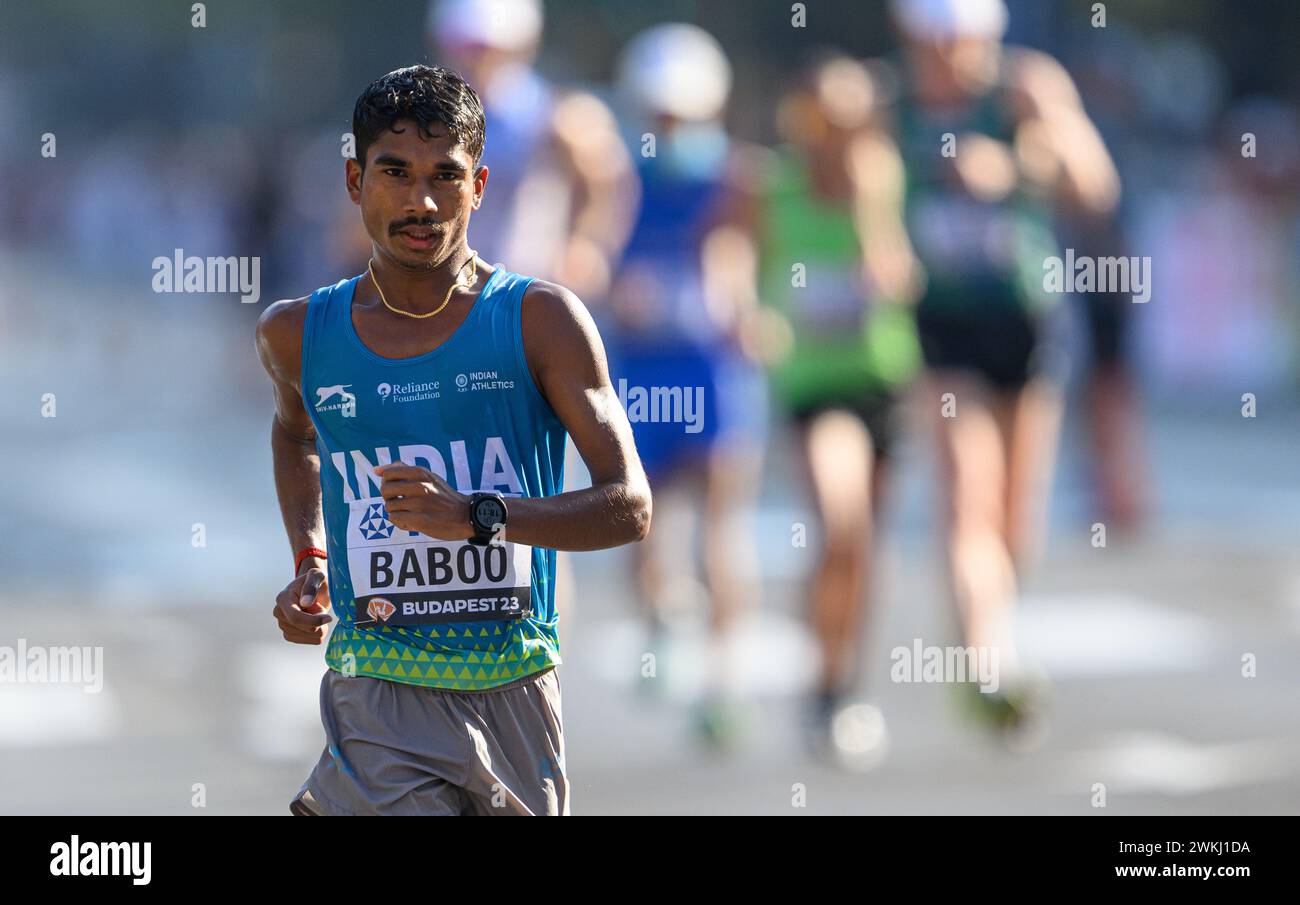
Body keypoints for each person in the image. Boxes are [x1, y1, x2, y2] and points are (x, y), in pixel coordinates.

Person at [256, 65, 651, 815]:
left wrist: (478, 515)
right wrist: (310, 556)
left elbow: (628, 506)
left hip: (514, 684)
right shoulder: (297, 333)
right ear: (353, 180)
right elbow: (294, 435)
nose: (421, 202)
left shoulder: (542, 321)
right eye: (395, 173)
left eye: (446, 175)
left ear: (481, 186)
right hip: (378, 682)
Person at [882, 0, 1121, 741]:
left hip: (1021, 321)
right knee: (966, 495)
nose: (949, 59)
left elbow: (1094, 187)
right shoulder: (888, 104)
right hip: (938, 323)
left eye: (962, 43)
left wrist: (1014, 167)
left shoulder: (1024, 89)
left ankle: (992, 631)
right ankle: (988, 662)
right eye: (934, 44)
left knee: (1015, 520)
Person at [722, 52, 922, 768]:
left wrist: (872, 228)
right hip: (812, 383)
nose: (829, 132)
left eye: (844, 119)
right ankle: (822, 684)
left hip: (882, 376)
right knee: (841, 524)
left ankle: (840, 684)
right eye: (817, 117)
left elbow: (894, 268)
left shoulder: (879, 172)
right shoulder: (769, 183)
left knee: (865, 548)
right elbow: (734, 249)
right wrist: (744, 307)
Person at [428, 0, 640, 646]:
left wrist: (588, 248)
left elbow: (610, 178)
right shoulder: (426, 115)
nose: (478, 59)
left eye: (490, 46)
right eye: (468, 45)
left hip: (519, 324)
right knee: (445, 483)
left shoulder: (554, 114)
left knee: (535, 497)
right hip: (440, 320)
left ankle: (541, 657)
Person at [605, 24, 768, 746]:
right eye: (660, 113)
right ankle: (664, 617)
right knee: (643, 522)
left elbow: (752, 258)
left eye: (683, 114)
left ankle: (725, 678)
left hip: (714, 372)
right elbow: (592, 257)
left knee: (722, 530)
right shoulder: (615, 179)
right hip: (642, 373)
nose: (671, 127)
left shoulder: (738, 177)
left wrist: (748, 305)